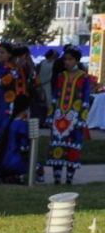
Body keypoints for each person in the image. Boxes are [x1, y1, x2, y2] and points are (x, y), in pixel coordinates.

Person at [47, 48, 93, 185]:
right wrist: (50, 115)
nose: (67, 62)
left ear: (77, 60)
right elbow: (55, 96)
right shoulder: (61, 76)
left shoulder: (84, 77)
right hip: (59, 116)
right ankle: (57, 176)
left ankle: (69, 177)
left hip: (75, 117)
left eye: (70, 59)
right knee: (57, 144)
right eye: (65, 59)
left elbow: (85, 99)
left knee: (73, 145)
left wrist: (82, 118)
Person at [0, 45, 32, 172]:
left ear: (10, 55)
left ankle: (21, 162)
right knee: (6, 132)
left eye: (2, 52)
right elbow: (3, 82)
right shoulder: (2, 68)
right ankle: (4, 162)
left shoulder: (24, 69)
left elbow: (35, 81)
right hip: (8, 108)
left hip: (22, 108)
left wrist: (30, 65)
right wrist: (16, 68)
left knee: (22, 133)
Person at [37, 49, 57, 125]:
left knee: (42, 103)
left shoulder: (42, 62)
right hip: (48, 84)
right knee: (49, 103)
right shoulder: (53, 63)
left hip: (40, 85)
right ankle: (49, 119)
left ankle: (42, 120)